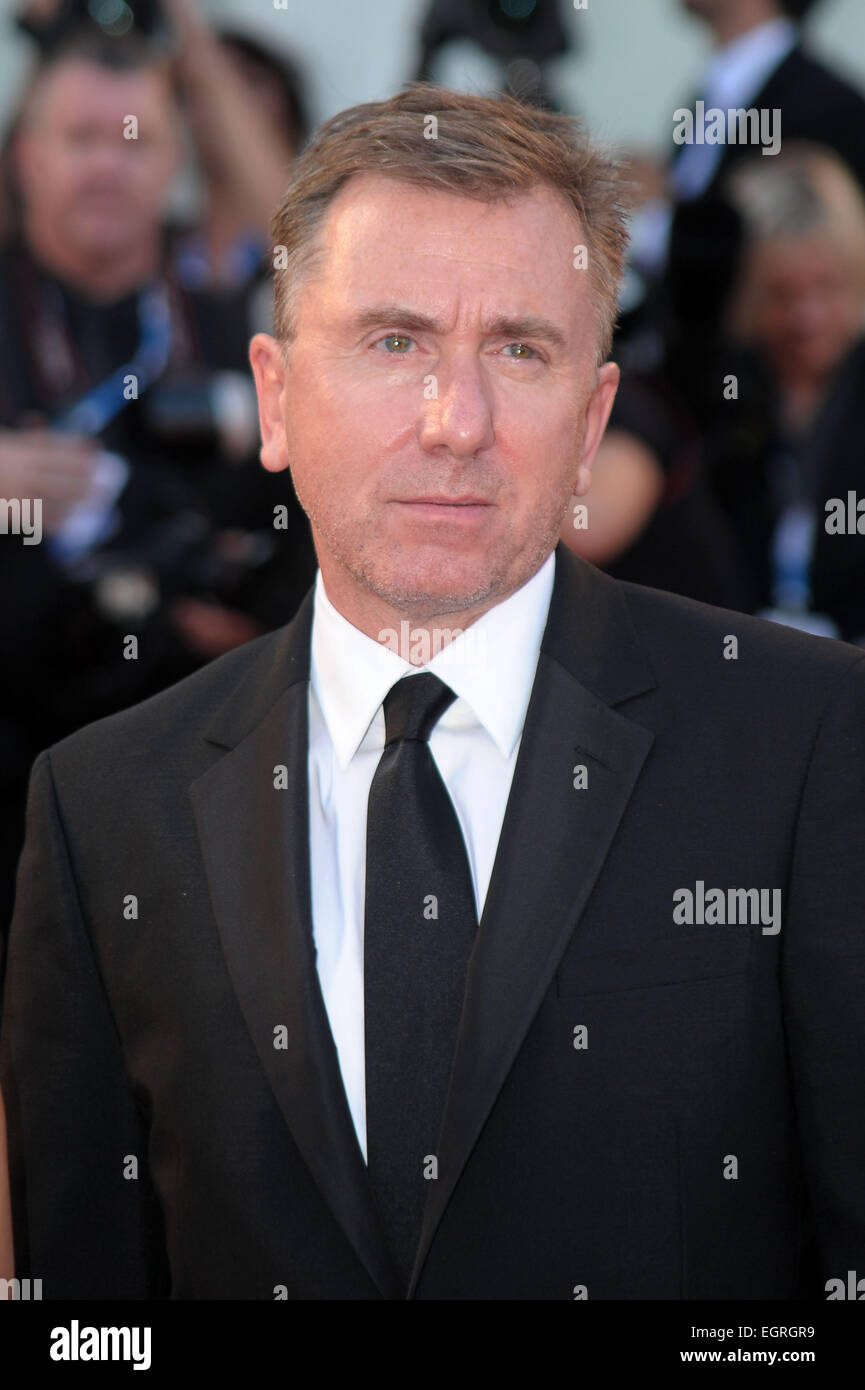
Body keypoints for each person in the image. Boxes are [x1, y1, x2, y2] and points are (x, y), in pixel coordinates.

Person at [1, 81, 863, 1301]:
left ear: (591, 417)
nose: (455, 420)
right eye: (393, 340)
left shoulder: (813, 745)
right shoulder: (101, 812)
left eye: (518, 348)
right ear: (276, 395)